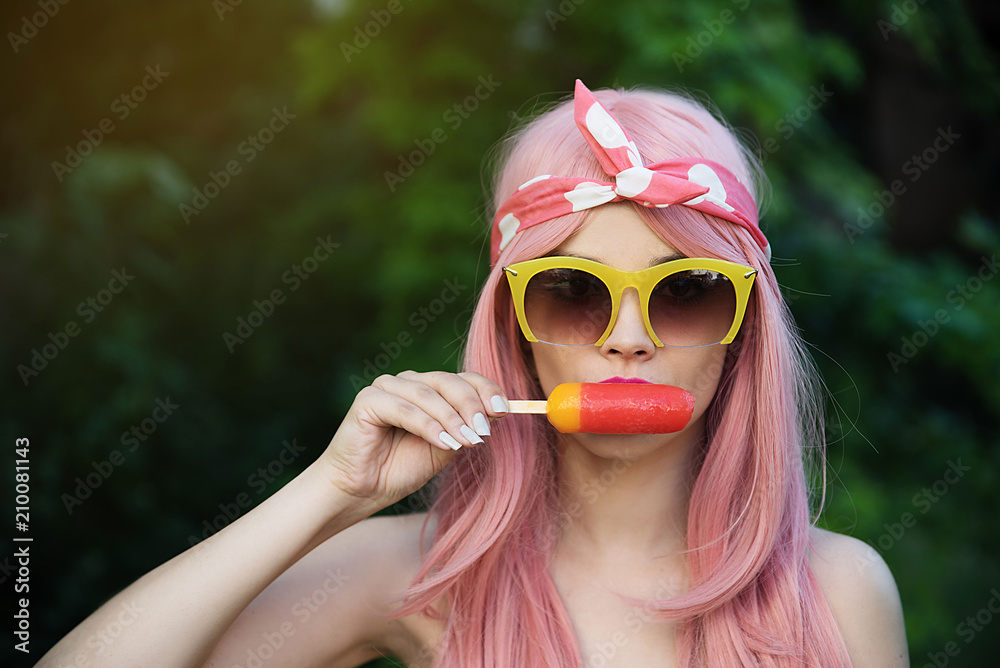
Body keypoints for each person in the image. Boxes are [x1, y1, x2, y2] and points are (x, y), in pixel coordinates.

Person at [38, 80, 908, 668]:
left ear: (744, 328)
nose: (630, 340)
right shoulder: (419, 578)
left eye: (686, 294)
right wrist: (329, 492)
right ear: (513, 324)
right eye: (574, 293)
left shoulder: (836, 592)